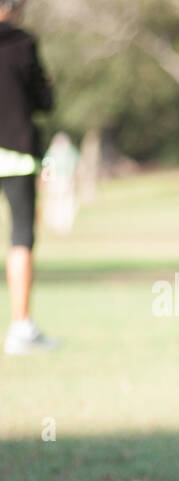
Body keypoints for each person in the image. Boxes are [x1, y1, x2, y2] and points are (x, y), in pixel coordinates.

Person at [0, 0, 55, 355]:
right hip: (15, 153)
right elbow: (46, 100)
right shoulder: (23, 43)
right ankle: (21, 328)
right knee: (21, 238)